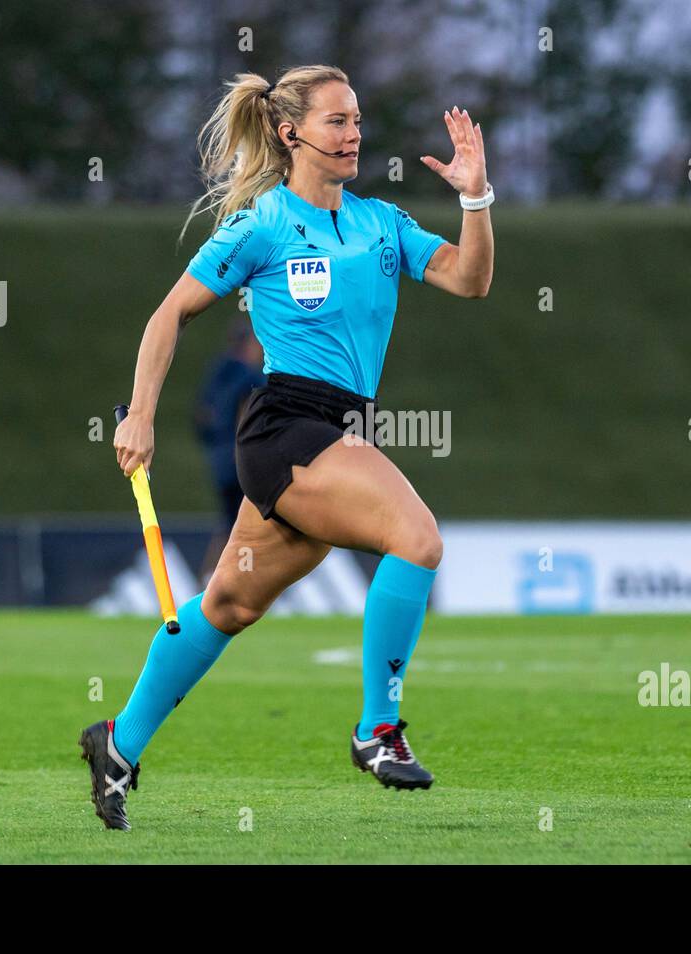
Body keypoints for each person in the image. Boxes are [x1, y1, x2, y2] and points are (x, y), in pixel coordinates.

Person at [80, 64, 494, 831]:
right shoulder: (263, 223)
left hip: (337, 431)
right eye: (337, 121)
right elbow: (168, 315)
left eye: (358, 120)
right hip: (284, 430)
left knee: (230, 603)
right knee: (418, 539)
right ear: (290, 130)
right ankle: (378, 729)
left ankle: (117, 742)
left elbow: (471, 280)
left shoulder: (382, 223)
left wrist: (475, 198)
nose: (354, 135)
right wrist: (140, 416)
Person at [194, 317, 265, 584]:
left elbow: (202, 416)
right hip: (241, 460)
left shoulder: (218, 372)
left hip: (219, 459)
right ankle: (233, 584)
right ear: (250, 344)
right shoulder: (251, 376)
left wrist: (216, 443)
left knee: (229, 523)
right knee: (246, 525)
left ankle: (209, 579)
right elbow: (246, 415)